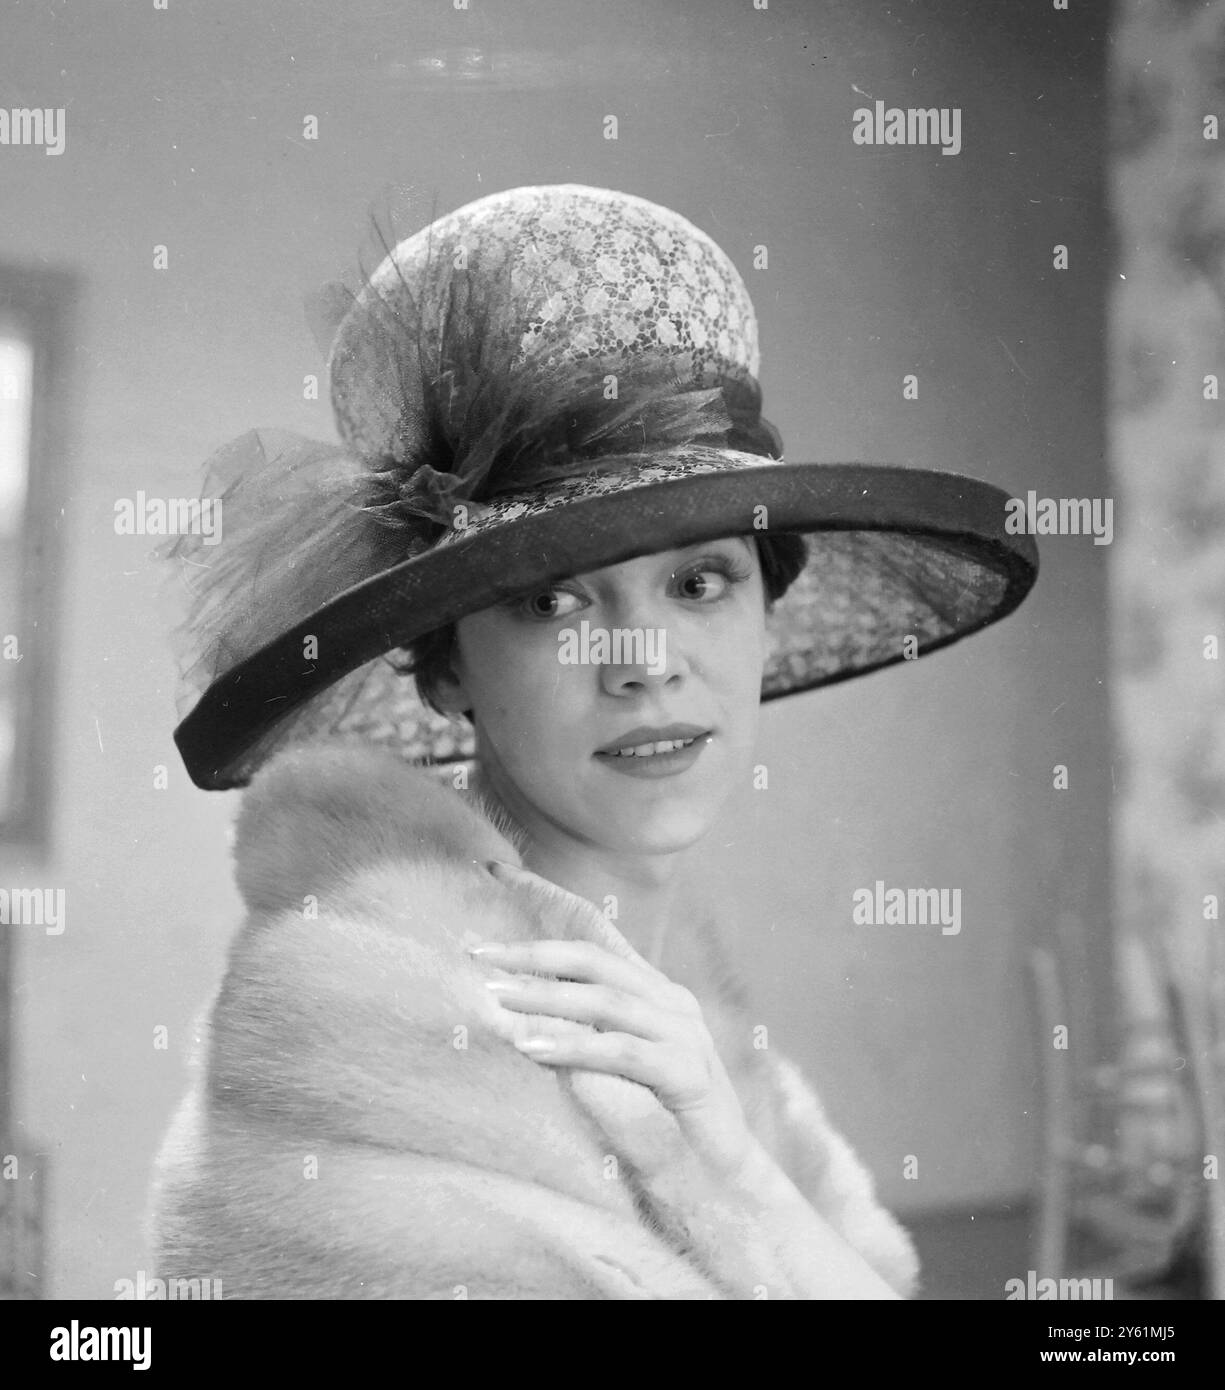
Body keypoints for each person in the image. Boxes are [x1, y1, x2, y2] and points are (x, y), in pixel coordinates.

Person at [149, 183, 1038, 1299]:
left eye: (701, 580)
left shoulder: (691, 1033)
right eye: (556, 603)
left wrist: (731, 1175)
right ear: (445, 669)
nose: (645, 661)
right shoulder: (377, 1029)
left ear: (764, 617)